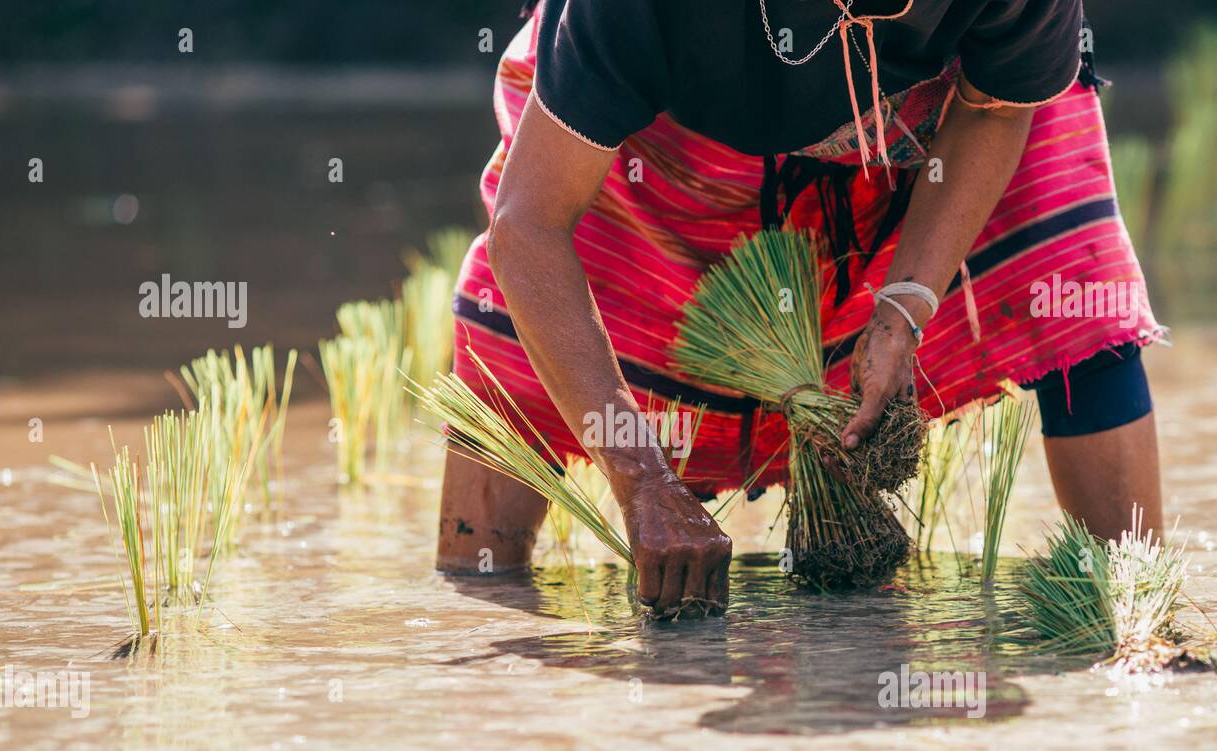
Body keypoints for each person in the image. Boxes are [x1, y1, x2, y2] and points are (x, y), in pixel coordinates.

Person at [438, 0, 1165, 617]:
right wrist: (643, 481)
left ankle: (1133, 604)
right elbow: (529, 227)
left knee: (1072, 279)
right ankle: (477, 607)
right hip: (662, 135)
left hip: (924, 122)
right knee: (516, 347)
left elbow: (996, 109)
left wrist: (905, 306)